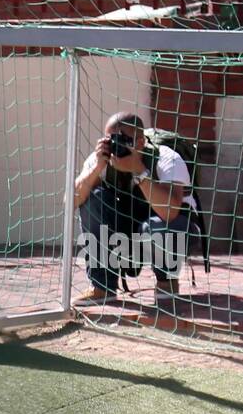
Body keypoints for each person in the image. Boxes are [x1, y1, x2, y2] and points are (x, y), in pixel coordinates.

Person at [73, 112, 197, 302]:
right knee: (92, 199)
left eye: (121, 139)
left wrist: (138, 170)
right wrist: (96, 168)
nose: (115, 145)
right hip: (127, 232)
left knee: (160, 225)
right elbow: (71, 201)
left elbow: (170, 212)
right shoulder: (101, 159)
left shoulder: (165, 158)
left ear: (140, 142)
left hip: (168, 231)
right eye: (110, 139)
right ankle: (102, 287)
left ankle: (167, 281)